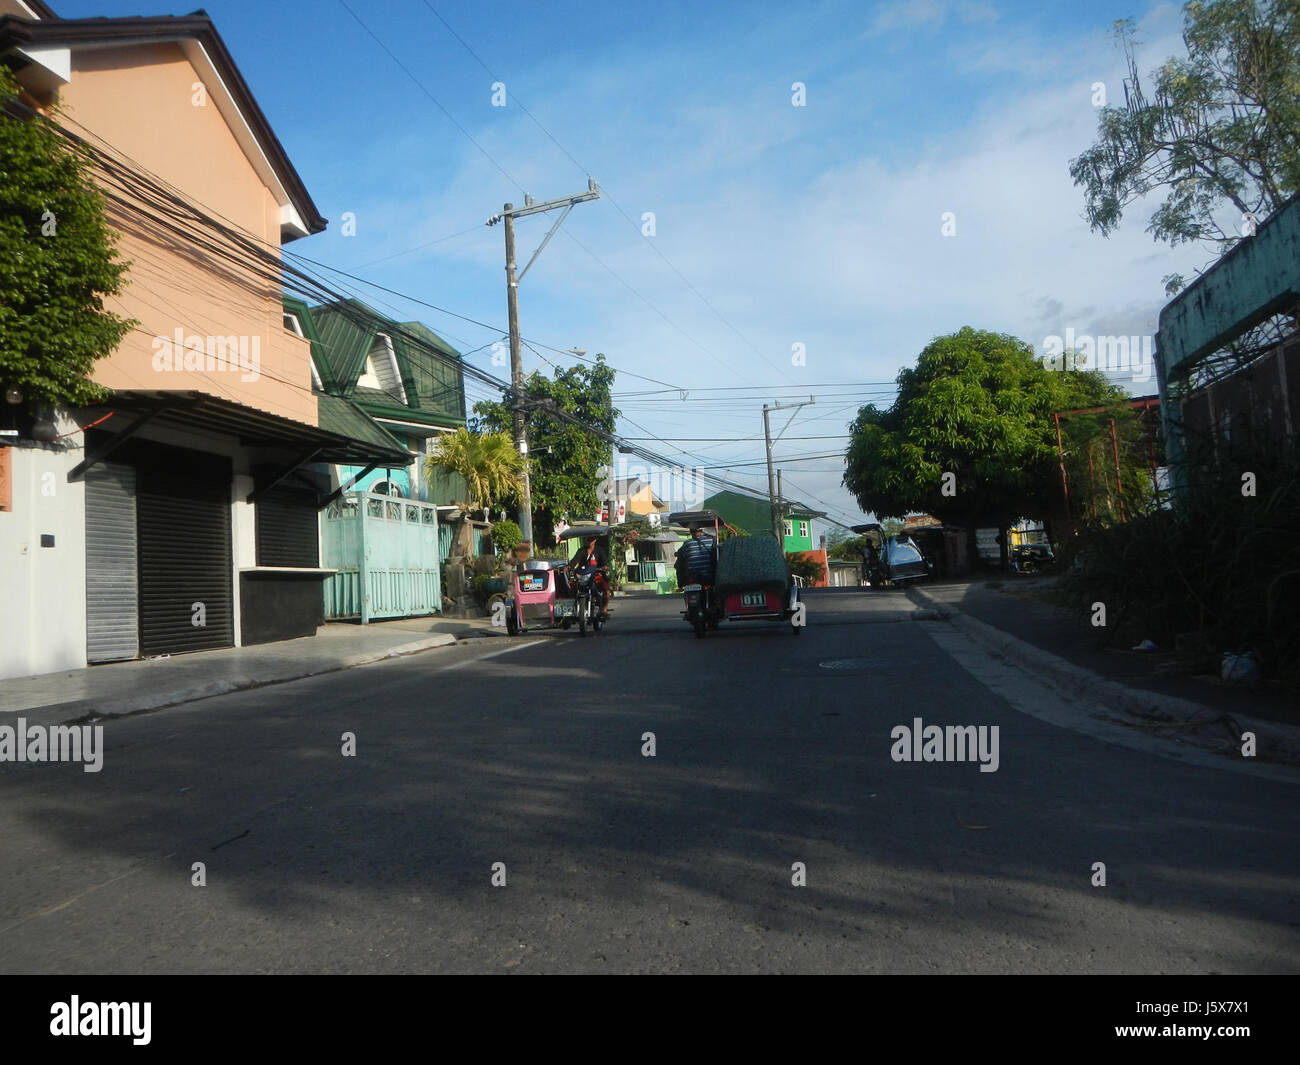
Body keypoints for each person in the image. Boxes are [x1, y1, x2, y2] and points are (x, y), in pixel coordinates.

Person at [572, 536, 610, 619]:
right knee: (571, 588)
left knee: (607, 591)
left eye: (591, 540)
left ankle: (604, 610)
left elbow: (605, 562)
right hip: (583, 576)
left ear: (595, 540)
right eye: (588, 539)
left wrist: (605, 567)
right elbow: (574, 560)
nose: (589, 541)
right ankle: (573, 610)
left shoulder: (599, 550)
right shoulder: (581, 551)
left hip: (596, 575)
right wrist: (569, 566)